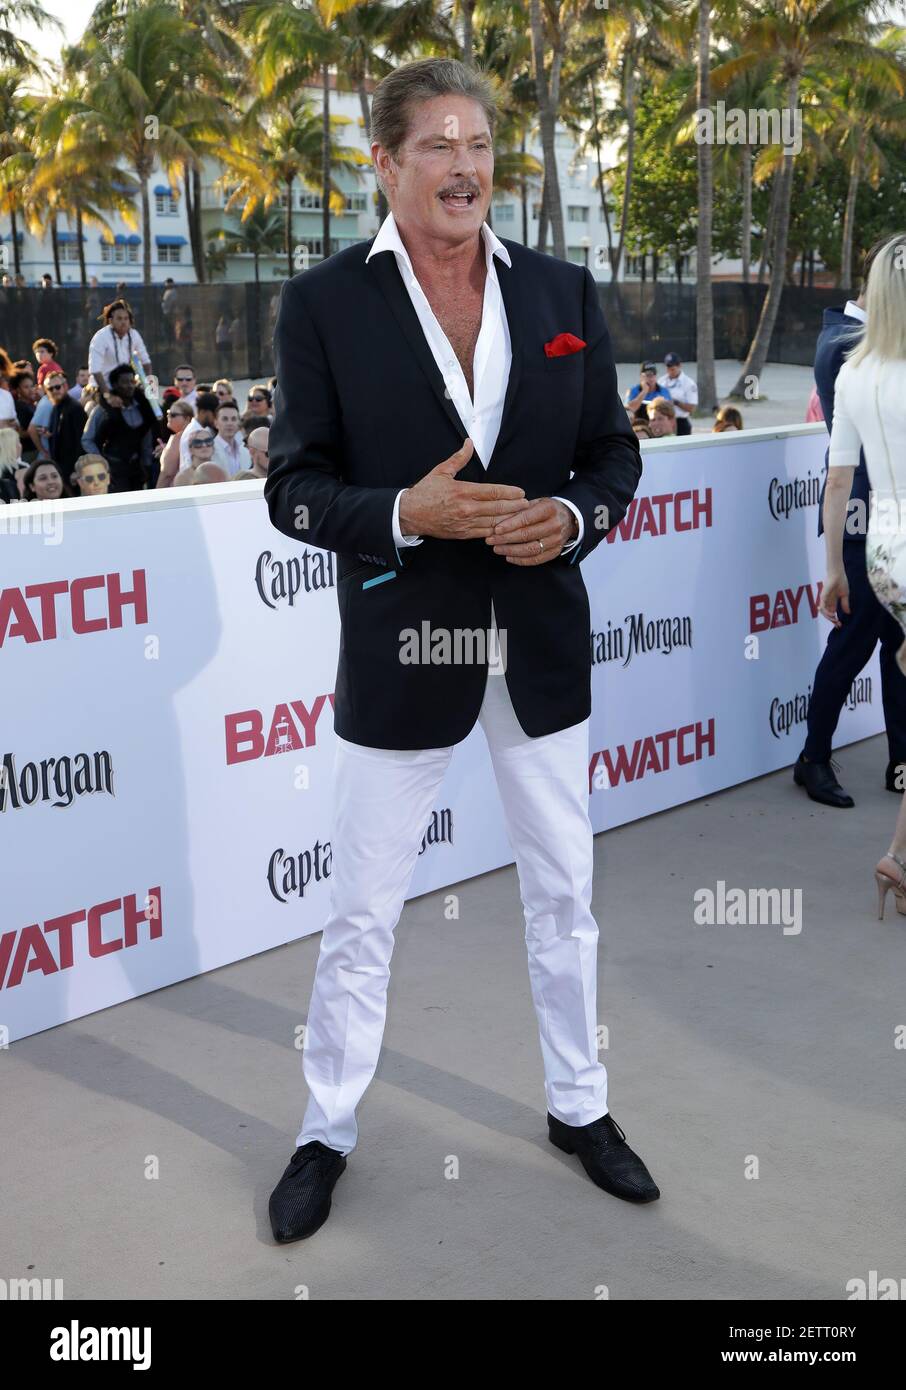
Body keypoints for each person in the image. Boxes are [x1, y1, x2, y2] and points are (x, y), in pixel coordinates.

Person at [264, 56, 654, 1246]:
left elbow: (615, 459)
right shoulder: (322, 303)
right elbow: (293, 489)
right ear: (384, 163)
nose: (466, 164)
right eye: (437, 142)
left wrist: (575, 518)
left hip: (538, 644)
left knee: (566, 893)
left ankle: (579, 1108)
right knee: (365, 911)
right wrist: (402, 513)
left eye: (478, 142)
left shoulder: (562, 291)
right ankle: (327, 1128)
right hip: (405, 644)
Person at [796, 233, 906, 809]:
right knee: (855, 641)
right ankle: (813, 757)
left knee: (893, 643)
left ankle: (900, 759)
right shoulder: (846, 342)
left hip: (881, 522)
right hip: (862, 521)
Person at [81, 362, 166, 492]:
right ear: (115, 385)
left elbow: (145, 437)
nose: (130, 386)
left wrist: (146, 464)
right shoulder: (103, 410)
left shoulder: (143, 407)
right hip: (113, 469)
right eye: (125, 382)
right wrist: (101, 464)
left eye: (132, 381)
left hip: (136, 468)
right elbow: (87, 439)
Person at [87, 299, 152, 394]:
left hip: (126, 387)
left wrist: (145, 385)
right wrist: (108, 396)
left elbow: (146, 362)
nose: (123, 322)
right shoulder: (101, 337)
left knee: (148, 405)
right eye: (119, 318)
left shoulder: (134, 335)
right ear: (111, 321)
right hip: (101, 388)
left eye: (126, 318)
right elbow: (95, 370)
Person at [46, 372, 88, 488]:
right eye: (50, 388)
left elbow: (82, 441)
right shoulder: (56, 407)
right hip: (61, 469)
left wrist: (77, 470)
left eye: (57, 387)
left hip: (73, 471)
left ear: (65, 386)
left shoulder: (75, 408)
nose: (55, 391)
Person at [155, 400, 195, 487]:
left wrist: (157, 493)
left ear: (187, 418)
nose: (168, 417)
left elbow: (167, 473)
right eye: (168, 413)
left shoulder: (178, 438)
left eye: (173, 415)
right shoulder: (195, 434)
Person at [178, 390, 219, 470]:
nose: (216, 417)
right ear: (203, 412)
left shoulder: (204, 429)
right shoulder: (193, 432)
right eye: (214, 414)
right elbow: (189, 463)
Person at [658, 353, 697, 435]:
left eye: (672, 369)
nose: (670, 371)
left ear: (679, 366)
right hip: (664, 421)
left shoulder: (689, 383)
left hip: (681, 422)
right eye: (668, 368)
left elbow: (692, 408)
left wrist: (676, 402)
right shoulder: (661, 381)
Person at [212, 400, 251, 476]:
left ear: (238, 422)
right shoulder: (210, 450)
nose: (230, 423)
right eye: (225, 419)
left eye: (233, 419)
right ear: (216, 423)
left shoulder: (245, 451)